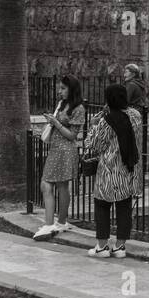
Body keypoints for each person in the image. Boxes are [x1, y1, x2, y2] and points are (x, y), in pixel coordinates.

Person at [82, 83, 142, 258]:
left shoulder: (106, 121)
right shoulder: (136, 116)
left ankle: (102, 247)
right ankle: (120, 247)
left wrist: (93, 125)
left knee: (102, 206)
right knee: (124, 207)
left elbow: (93, 145)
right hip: (130, 168)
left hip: (110, 169)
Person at [34, 74, 86, 239]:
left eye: (63, 88)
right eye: (60, 88)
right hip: (56, 148)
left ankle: (50, 224)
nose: (60, 91)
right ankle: (60, 222)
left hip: (65, 150)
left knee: (47, 184)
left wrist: (56, 123)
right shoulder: (62, 104)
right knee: (60, 186)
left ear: (72, 89)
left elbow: (73, 135)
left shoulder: (78, 108)